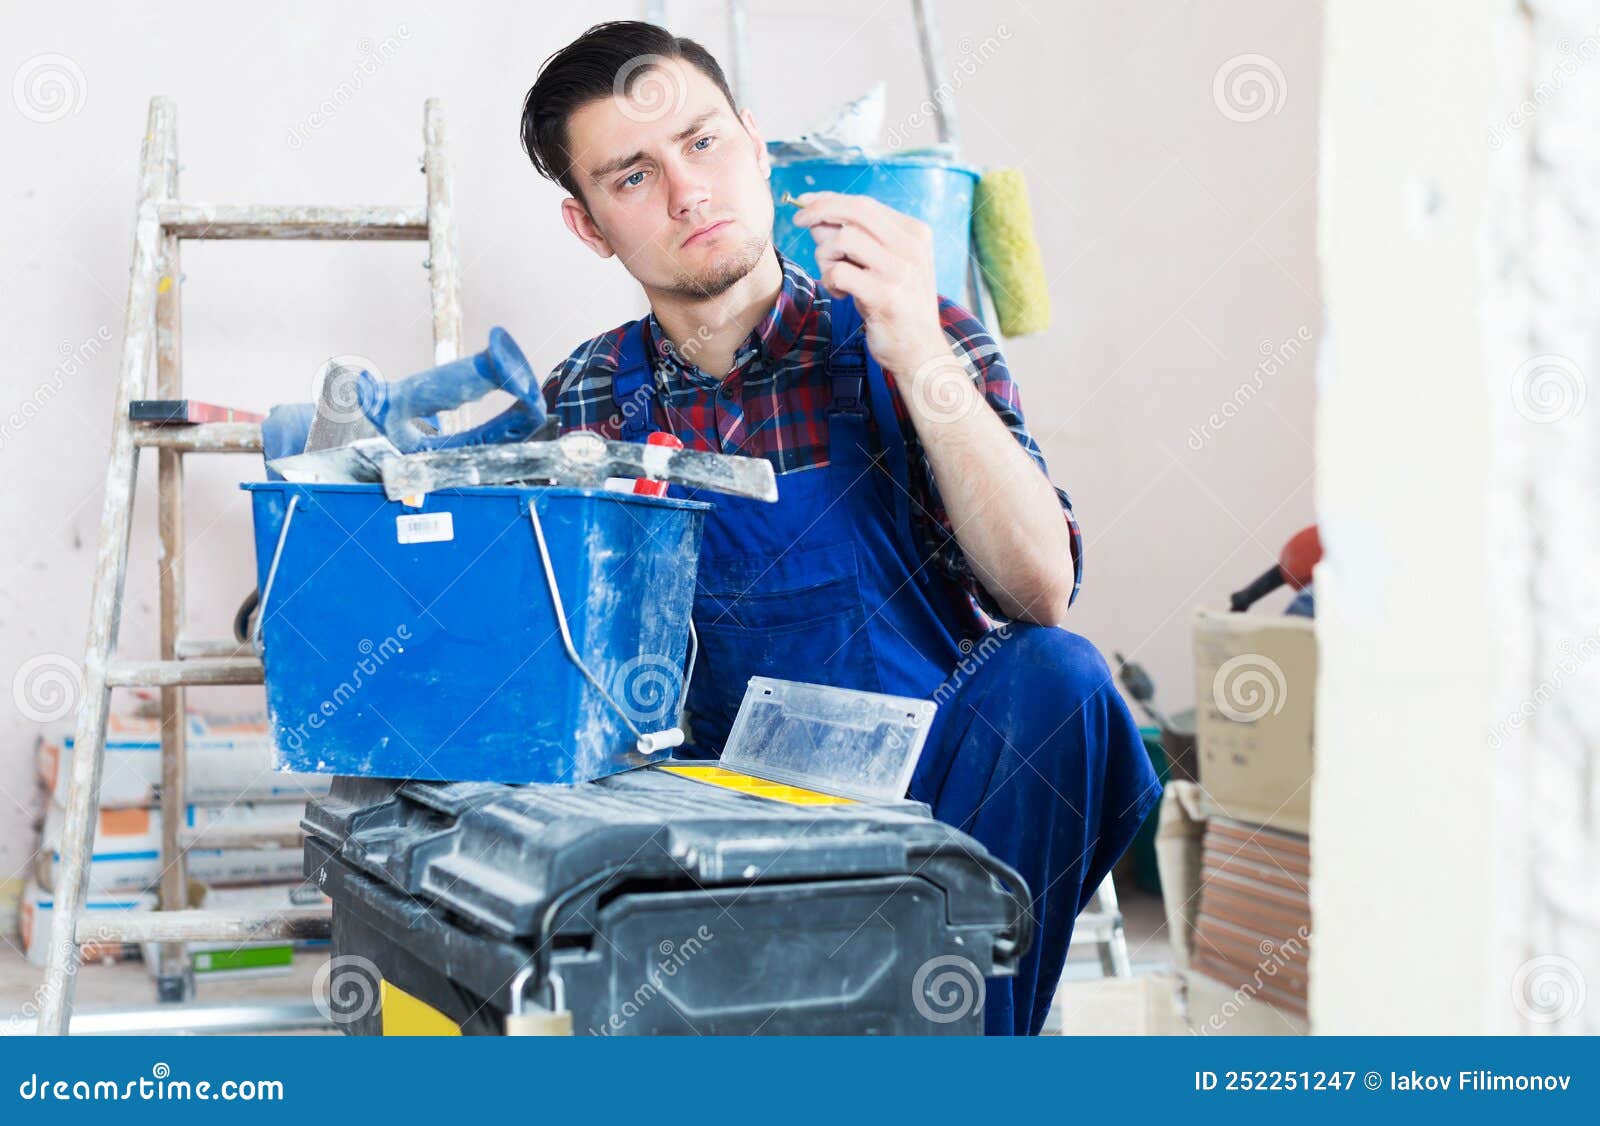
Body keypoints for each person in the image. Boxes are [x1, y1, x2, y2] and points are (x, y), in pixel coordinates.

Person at [522, 20, 1160, 1035]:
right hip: (713, 838)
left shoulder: (914, 326)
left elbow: (1039, 587)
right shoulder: (585, 398)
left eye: (702, 142)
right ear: (589, 225)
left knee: (1061, 678)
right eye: (631, 177)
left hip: (935, 815)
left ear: (756, 145)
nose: (688, 191)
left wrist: (918, 359)